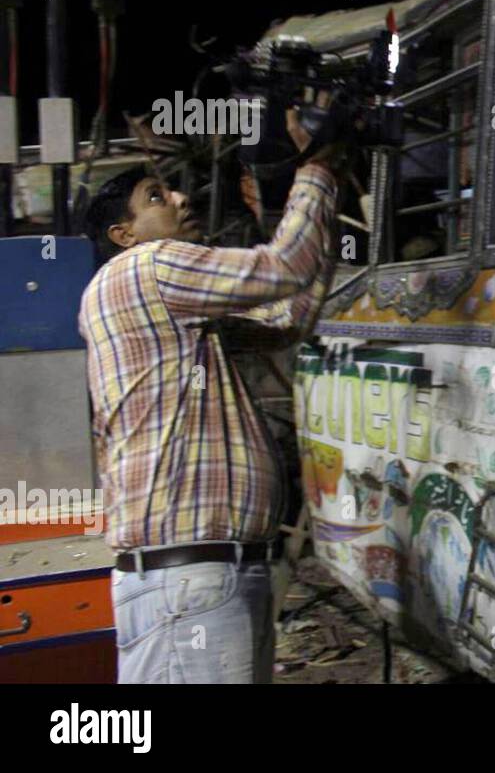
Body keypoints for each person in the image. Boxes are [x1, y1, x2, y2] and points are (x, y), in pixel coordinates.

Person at [78, 102, 341, 683]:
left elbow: (286, 317)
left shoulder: (166, 307)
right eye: (156, 197)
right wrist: (315, 168)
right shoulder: (147, 268)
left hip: (206, 576)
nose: (179, 199)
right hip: (188, 579)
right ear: (123, 235)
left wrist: (309, 205)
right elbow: (283, 269)